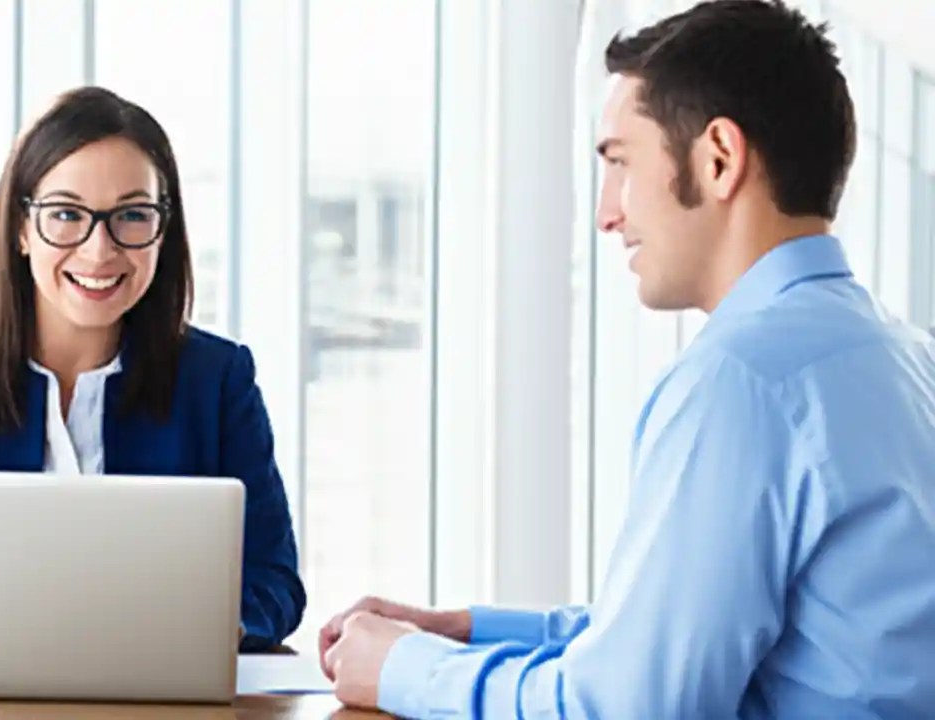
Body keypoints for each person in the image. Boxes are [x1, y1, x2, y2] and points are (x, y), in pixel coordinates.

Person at [318, 1, 935, 717]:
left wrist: (404, 671)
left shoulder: (743, 381)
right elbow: (710, 635)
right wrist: (465, 630)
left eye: (620, 162)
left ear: (718, 159)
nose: (608, 211)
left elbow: (626, 706)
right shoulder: (906, 358)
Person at [0, 86, 305, 654]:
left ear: (163, 229)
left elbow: (274, 584)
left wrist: (193, 634)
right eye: (67, 215)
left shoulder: (218, 380)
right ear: (21, 229)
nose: (99, 251)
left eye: (131, 215)